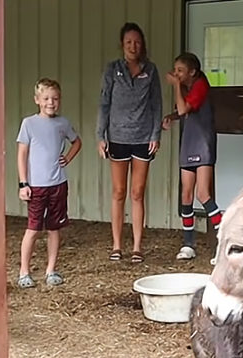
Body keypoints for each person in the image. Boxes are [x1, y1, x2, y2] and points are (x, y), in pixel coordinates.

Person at [96, 22, 163, 264]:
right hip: (117, 137)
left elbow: (157, 104)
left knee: (137, 192)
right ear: (122, 45)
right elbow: (104, 104)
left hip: (143, 138)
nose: (133, 46)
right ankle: (116, 245)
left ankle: (136, 247)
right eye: (128, 42)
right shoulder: (113, 69)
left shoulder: (151, 70)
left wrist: (156, 134)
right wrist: (100, 135)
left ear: (142, 44)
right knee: (118, 192)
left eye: (137, 42)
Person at [16, 77, 82, 288]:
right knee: (33, 228)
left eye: (54, 98)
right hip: (36, 186)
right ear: (37, 100)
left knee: (54, 228)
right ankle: (24, 272)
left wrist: (68, 158)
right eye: (46, 98)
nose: (50, 102)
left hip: (58, 185)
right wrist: (23, 183)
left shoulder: (62, 123)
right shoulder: (29, 123)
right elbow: (22, 154)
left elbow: (77, 142)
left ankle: (51, 270)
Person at [162, 51, 220, 264]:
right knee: (186, 195)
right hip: (188, 142)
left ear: (192, 72)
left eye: (180, 71)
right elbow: (183, 110)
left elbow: (185, 106)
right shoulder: (189, 87)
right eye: (175, 70)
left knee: (202, 194)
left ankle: (224, 242)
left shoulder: (200, 85)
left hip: (202, 143)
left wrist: (176, 85)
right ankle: (188, 244)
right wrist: (172, 116)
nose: (176, 74)